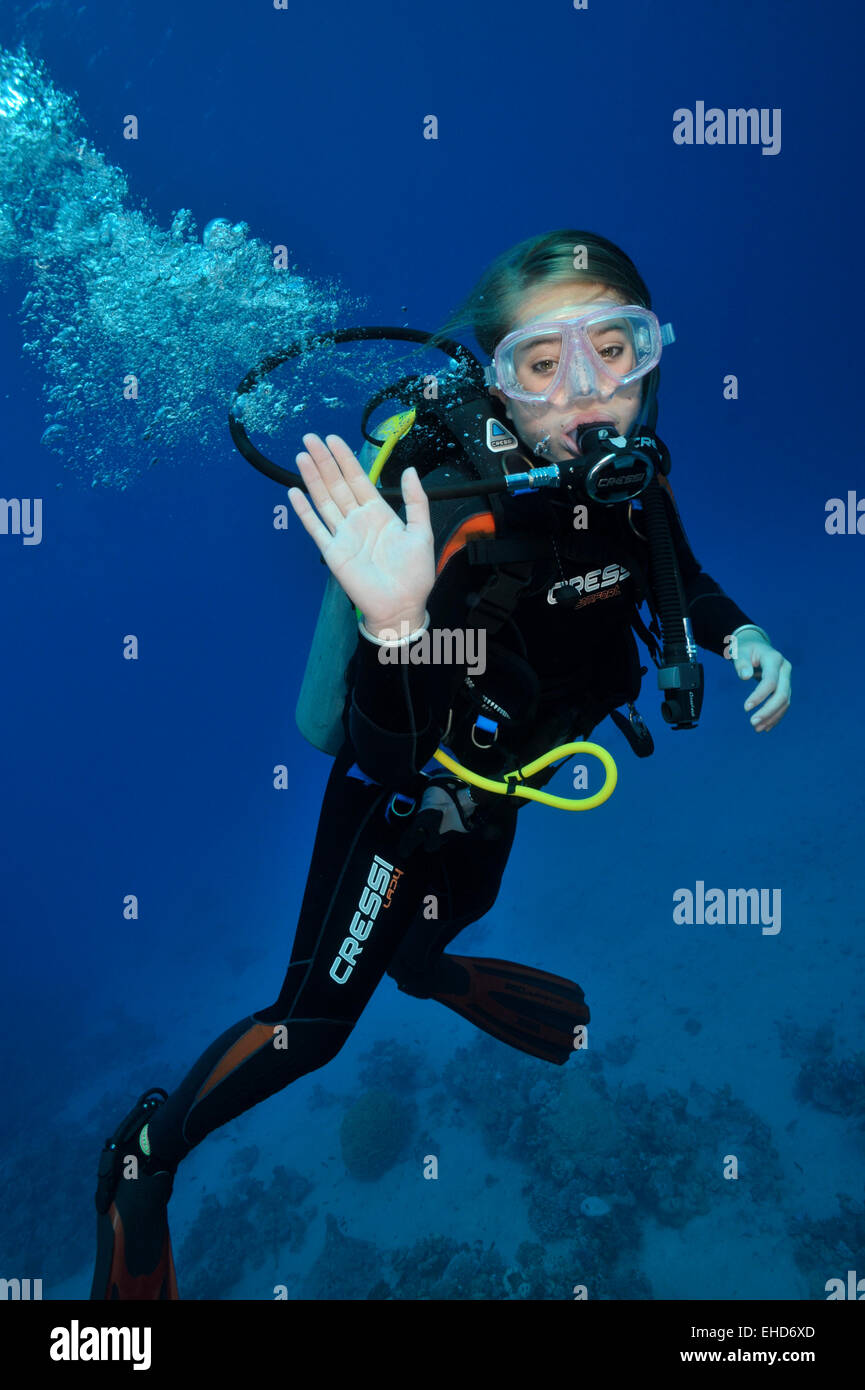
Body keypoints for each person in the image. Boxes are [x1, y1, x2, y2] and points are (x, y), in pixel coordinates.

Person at [90, 229, 792, 1299]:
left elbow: (674, 580)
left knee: (435, 941)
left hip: (504, 774)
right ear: (499, 382)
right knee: (312, 1028)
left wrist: (740, 633)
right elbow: (380, 740)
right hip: (405, 789)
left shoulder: (631, 480)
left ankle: (431, 972)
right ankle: (145, 1159)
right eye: (543, 365)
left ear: (653, 359)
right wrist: (405, 623)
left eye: (616, 348)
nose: (587, 391)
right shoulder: (449, 499)